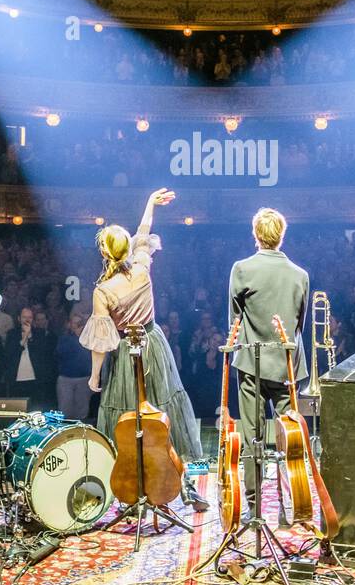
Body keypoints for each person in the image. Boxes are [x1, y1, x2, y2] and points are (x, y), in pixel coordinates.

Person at [81, 188, 207, 512]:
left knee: (127, 416)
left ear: (105, 254)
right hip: (154, 346)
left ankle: (129, 490)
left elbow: (101, 342)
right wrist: (150, 203)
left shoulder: (103, 291)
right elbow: (143, 234)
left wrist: (95, 376)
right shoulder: (140, 268)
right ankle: (188, 487)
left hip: (126, 354)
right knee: (166, 412)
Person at [226, 206, 311, 513]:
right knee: (292, 439)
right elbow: (299, 324)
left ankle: (253, 506)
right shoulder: (300, 275)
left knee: (252, 437)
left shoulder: (242, 269)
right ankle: (292, 504)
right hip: (288, 365)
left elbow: (234, 322)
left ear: (256, 235)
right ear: (281, 235)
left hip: (251, 364)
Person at [56, 310, 94, 421]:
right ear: (69, 324)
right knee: (65, 410)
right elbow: (61, 353)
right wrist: (76, 337)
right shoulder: (63, 338)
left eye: (80, 322)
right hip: (66, 379)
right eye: (75, 323)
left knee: (82, 411)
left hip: (83, 379)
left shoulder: (89, 338)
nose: (78, 325)